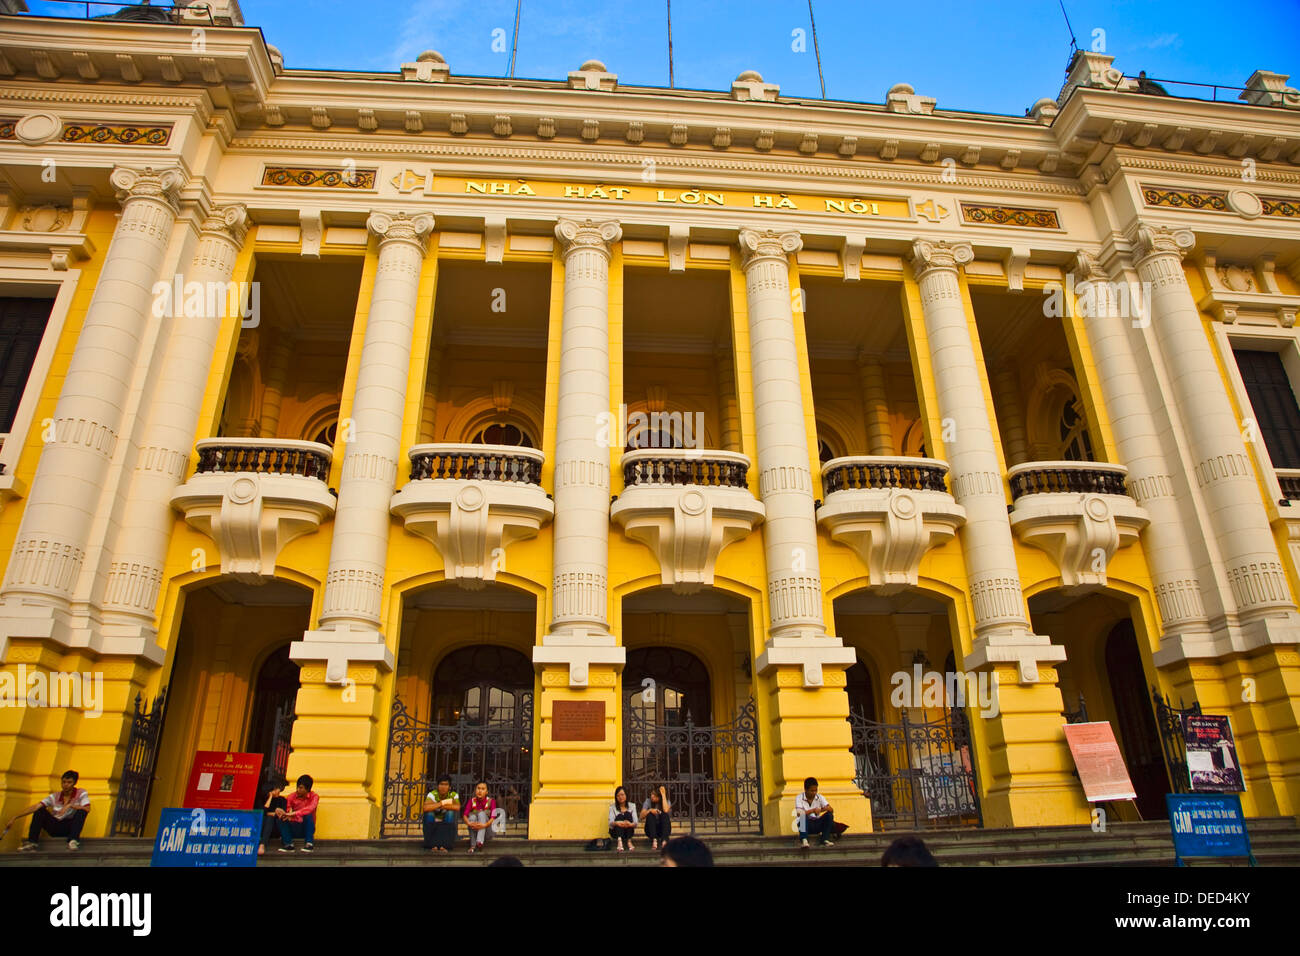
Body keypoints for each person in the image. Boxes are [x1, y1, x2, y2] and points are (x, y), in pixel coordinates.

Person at [8, 770, 90, 851]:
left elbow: (87, 809)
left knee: (82, 811)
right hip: (55, 826)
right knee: (40, 810)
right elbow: (36, 806)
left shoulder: (81, 793)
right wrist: (15, 817)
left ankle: (73, 841)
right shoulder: (55, 796)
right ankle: (32, 843)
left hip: (70, 827)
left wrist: (70, 805)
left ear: (74, 783)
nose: (65, 785)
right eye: (63, 782)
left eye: (69, 782)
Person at [277, 774, 319, 853]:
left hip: (306, 829)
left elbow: (310, 808)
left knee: (308, 815)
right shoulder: (291, 796)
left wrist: (294, 813)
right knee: (281, 819)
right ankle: (289, 845)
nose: (298, 790)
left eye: (301, 788)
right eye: (297, 787)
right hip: (294, 827)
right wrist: (286, 814)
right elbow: (288, 810)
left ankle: (309, 844)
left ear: (308, 789)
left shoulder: (314, 797)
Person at [794, 776, 835, 848]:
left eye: (816, 790)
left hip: (817, 824)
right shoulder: (799, 797)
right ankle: (804, 840)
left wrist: (821, 809)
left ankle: (825, 839)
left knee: (829, 815)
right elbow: (799, 813)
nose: (814, 793)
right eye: (812, 791)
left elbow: (831, 809)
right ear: (805, 790)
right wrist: (812, 810)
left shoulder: (820, 797)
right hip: (806, 825)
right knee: (803, 816)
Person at [423, 775, 460, 852]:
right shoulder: (432, 794)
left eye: (446, 784)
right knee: (429, 814)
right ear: (437, 786)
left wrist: (436, 805)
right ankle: (433, 845)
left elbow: (457, 807)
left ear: (449, 787)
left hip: (446, 820)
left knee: (450, 813)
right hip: (434, 818)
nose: (443, 787)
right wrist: (442, 803)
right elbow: (426, 808)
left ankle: (445, 845)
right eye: (441, 784)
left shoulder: (453, 795)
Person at [463, 780, 496, 853]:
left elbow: (493, 817)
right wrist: (469, 823)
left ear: (487, 792)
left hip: (487, 832)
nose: (480, 791)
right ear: (475, 790)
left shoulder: (491, 801)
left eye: (483, 789)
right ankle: (473, 846)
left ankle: (479, 842)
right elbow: (465, 815)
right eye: (478, 788)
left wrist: (484, 825)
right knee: (472, 817)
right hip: (475, 829)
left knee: (481, 814)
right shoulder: (471, 801)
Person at [258, 777, 288, 856]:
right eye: (276, 789)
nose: (279, 790)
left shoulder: (282, 800)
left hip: (276, 829)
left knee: (270, 818)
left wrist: (270, 813)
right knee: (269, 818)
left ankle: (262, 845)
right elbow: (262, 813)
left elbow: (281, 814)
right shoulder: (262, 800)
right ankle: (262, 845)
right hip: (264, 829)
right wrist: (270, 797)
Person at [642, 784, 672, 850]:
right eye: (651, 794)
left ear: (659, 796)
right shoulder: (648, 801)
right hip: (651, 830)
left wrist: (663, 795)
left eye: (654, 795)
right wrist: (650, 810)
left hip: (663, 830)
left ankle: (664, 841)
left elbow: (666, 810)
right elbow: (641, 816)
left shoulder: (667, 801)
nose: (652, 796)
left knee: (665, 815)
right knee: (650, 815)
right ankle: (654, 840)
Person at [608, 785, 637, 852]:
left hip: (628, 831)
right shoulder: (612, 807)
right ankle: (619, 841)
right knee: (620, 816)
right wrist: (617, 823)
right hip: (616, 832)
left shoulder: (632, 806)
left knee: (627, 814)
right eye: (618, 795)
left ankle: (629, 841)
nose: (620, 797)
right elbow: (610, 823)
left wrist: (629, 824)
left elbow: (636, 823)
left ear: (626, 795)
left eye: (622, 795)